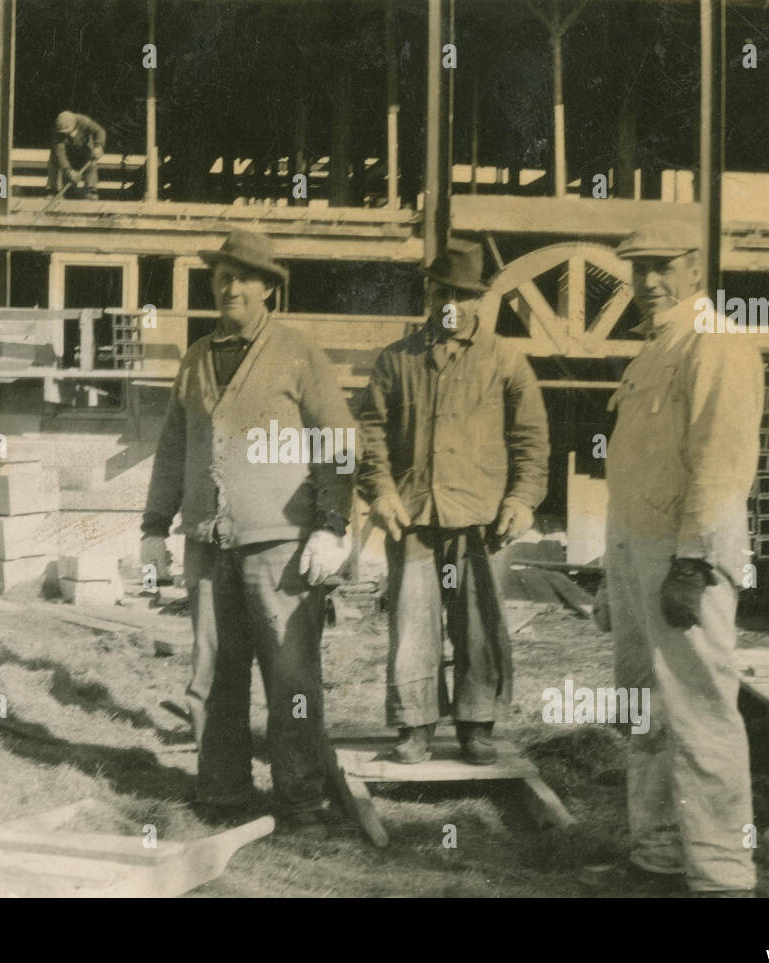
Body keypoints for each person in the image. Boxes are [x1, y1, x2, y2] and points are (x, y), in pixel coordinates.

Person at [141, 229, 353, 839]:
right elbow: (174, 446)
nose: (231, 287)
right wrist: (155, 526)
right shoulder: (196, 357)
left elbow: (336, 443)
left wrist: (331, 526)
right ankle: (224, 795)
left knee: (290, 679)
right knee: (214, 675)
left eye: (244, 278)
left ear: (268, 289)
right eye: (222, 278)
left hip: (282, 547)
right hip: (209, 546)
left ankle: (301, 804)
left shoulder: (298, 355)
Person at [588, 218, 764, 897]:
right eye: (638, 268)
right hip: (637, 557)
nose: (649, 281)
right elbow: (636, 474)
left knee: (702, 714)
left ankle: (722, 877)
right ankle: (658, 858)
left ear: (695, 268)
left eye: (663, 266)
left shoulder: (716, 346)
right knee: (645, 712)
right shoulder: (654, 351)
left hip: (681, 564)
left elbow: (722, 465)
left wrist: (692, 563)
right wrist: (613, 575)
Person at [359, 240, 550, 766]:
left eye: (466, 296)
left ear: (482, 300)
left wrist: (522, 499)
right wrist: (380, 490)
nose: (454, 305)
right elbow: (369, 433)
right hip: (414, 515)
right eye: (445, 292)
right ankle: (415, 725)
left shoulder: (507, 360)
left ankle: (476, 724)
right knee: (413, 622)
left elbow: (531, 441)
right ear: (429, 293)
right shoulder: (396, 361)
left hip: (483, 518)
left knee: (479, 621)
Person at [48, 110, 107, 200]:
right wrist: (69, 171)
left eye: (67, 130)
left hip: (84, 148)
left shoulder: (84, 121)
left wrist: (98, 146)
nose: (65, 134)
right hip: (67, 151)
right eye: (63, 132)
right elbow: (60, 154)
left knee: (91, 164)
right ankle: (53, 191)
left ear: (74, 124)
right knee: (54, 160)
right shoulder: (58, 133)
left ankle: (91, 191)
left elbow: (99, 131)